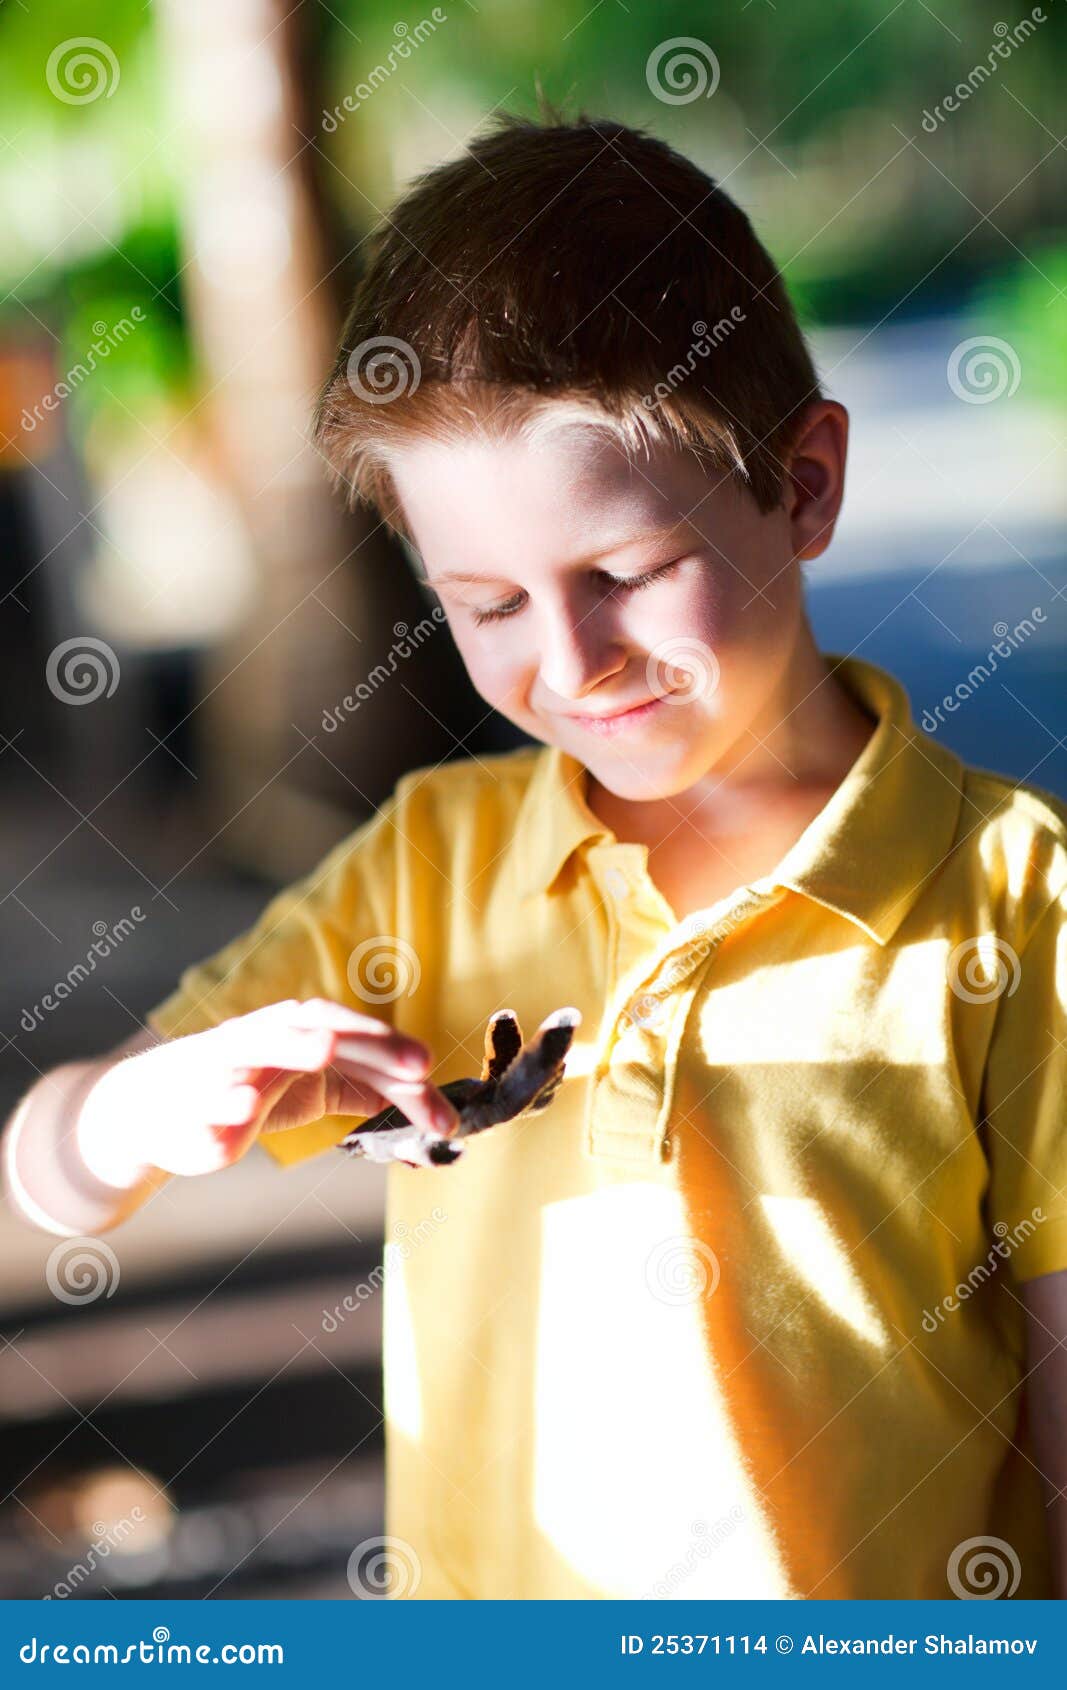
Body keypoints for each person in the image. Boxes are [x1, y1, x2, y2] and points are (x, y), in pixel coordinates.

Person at [5, 108, 1067, 1601]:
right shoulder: (428, 866)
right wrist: (132, 1112)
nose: (571, 661)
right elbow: (49, 1169)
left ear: (806, 484)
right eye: (487, 603)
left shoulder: (1022, 900)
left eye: (625, 573)